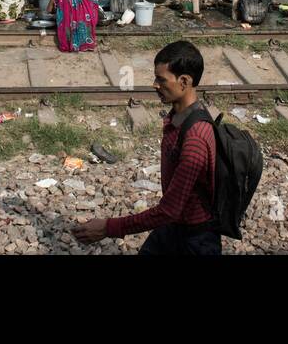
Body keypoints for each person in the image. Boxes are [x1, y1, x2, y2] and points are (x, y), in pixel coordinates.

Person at [73, 40, 218, 254]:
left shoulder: (195, 137)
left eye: (161, 79)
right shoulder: (178, 119)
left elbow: (169, 210)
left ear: (184, 81)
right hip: (174, 227)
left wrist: (108, 228)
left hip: (194, 240)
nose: (155, 84)